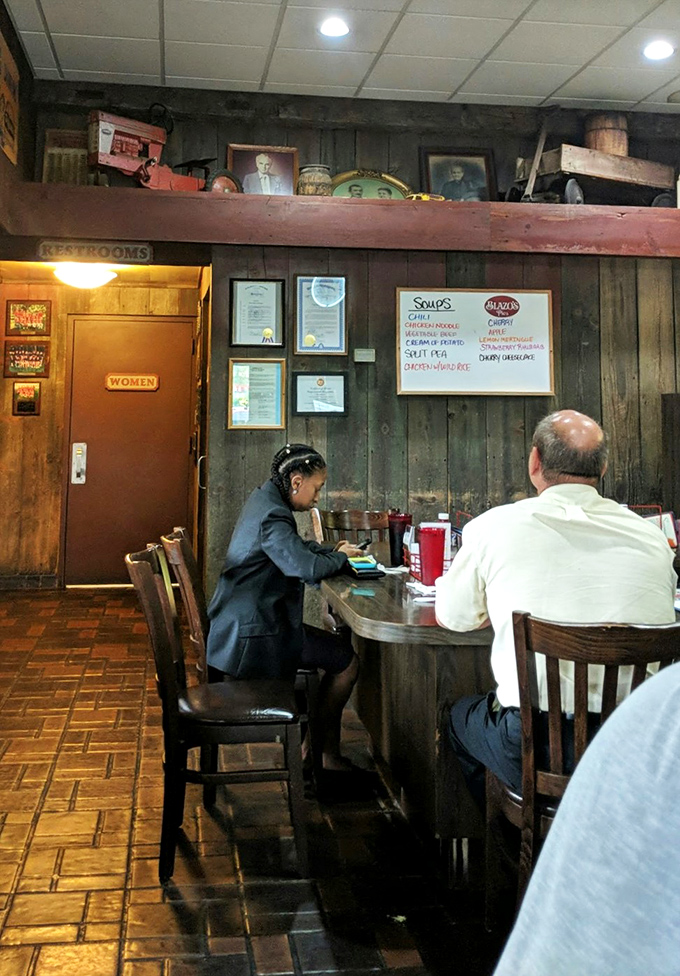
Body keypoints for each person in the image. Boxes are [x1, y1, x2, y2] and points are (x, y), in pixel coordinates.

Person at [435, 409, 676, 803]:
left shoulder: (493, 527)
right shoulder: (650, 537)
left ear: (535, 462)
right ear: (603, 467)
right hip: (640, 749)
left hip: (538, 748)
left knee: (459, 718)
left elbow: (455, 617)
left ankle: (519, 844)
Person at [493, 660, 680, 976]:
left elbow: (458, 618)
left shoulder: (660, 712)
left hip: (548, 748)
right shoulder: (659, 707)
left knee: (463, 719)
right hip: (615, 739)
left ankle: (502, 865)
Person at [207, 443, 367, 778]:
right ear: (297, 481)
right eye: (317, 488)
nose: (317, 497)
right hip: (255, 636)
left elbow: (292, 550)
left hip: (243, 627)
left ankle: (318, 751)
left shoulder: (264, 501)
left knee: (334, 654)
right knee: (346, 663)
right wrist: (343, 558)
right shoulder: (273, 513)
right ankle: (321, 754)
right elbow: (303, 567)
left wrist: (332, 550)